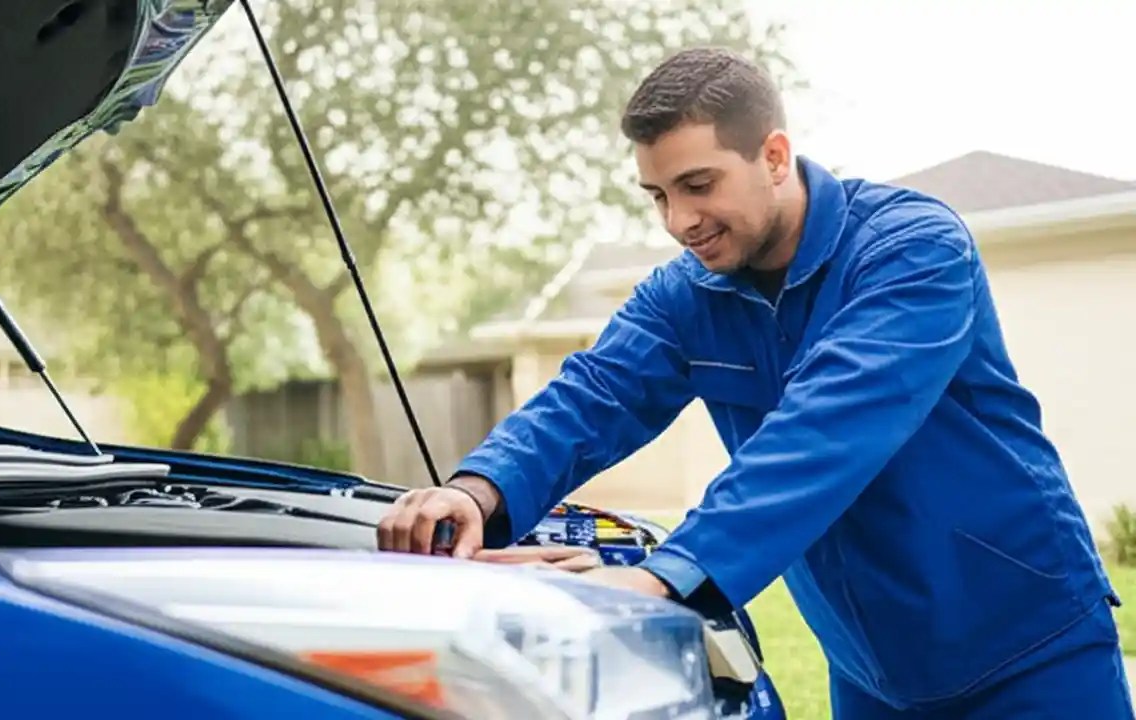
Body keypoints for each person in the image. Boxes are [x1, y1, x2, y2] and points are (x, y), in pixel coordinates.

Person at [376, 46, 1133, 718]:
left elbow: (822, 432)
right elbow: (593, 395)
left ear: (774, 156)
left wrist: (662, 582)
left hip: (1027, 646)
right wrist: (476, 491)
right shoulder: (685, 296)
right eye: (658, 195)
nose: (679, 220)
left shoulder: (913, 251)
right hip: (873, 669)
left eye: (698, 184)